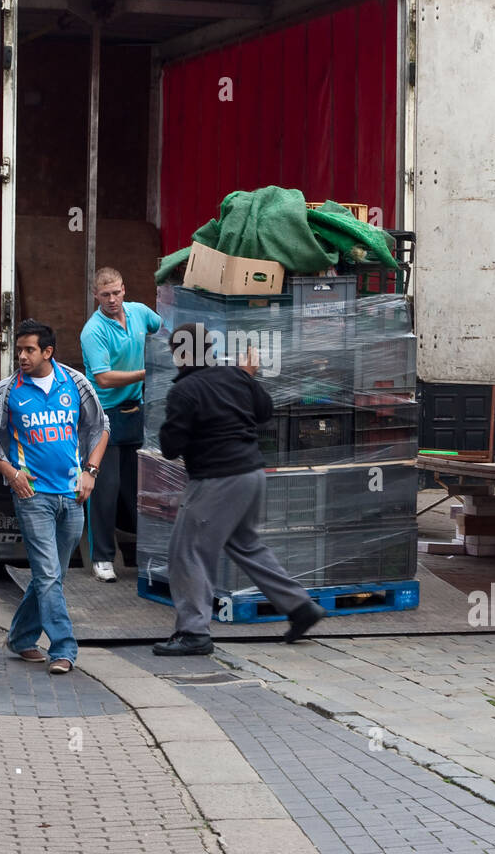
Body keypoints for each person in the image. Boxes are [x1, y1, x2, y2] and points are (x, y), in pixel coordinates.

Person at [153, 324, 326, 656]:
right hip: (251, 474)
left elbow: (170, 447)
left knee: (187, 552)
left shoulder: (185, 390)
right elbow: (265, 413)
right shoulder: (236, 376)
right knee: (246, 544)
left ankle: (193, 633)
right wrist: (249, 377)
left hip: (216, 480)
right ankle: (300, 607)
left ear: (181, 354)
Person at [0, 318, 109, 673]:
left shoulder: (75, 383)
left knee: (52, 575)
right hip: (33, 497)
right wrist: (11, 473)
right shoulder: (7, 390)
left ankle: (20, 637)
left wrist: (90, 472)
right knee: (48, 575)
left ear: (48, 352)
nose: (21, 356)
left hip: (73, 495)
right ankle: (63, 649)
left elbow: (101, 427)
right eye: (19, 349)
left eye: (29, 350)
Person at [80, 267, 161, 582]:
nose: (112, 299)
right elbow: (103, 378)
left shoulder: (140, 313)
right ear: (96, 296)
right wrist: (147, 372)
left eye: (116, 292)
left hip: (136, 411)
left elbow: (165, 329)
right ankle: (102, 557)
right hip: (104, 415)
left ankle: (148, 554)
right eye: (105, 295)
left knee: (136, 489)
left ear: (124, 289)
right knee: (105, 487)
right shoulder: (93, 330)